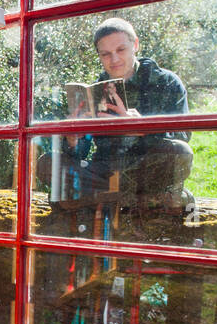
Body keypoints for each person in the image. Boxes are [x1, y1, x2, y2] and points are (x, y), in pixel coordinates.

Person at [65, 17, 195, 215]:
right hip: (106, 173)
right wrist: (73, 140)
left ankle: (100, 198)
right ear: (99, 56)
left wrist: (140, 128)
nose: (114, 59)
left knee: (181, 151)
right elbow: (83, 151)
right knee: (46, 162)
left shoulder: (166, 82)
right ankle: (143, 199)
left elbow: (182, 134)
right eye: (106, 54)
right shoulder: (93, 91)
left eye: (121, 50)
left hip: (146, 169)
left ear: (135, 45)